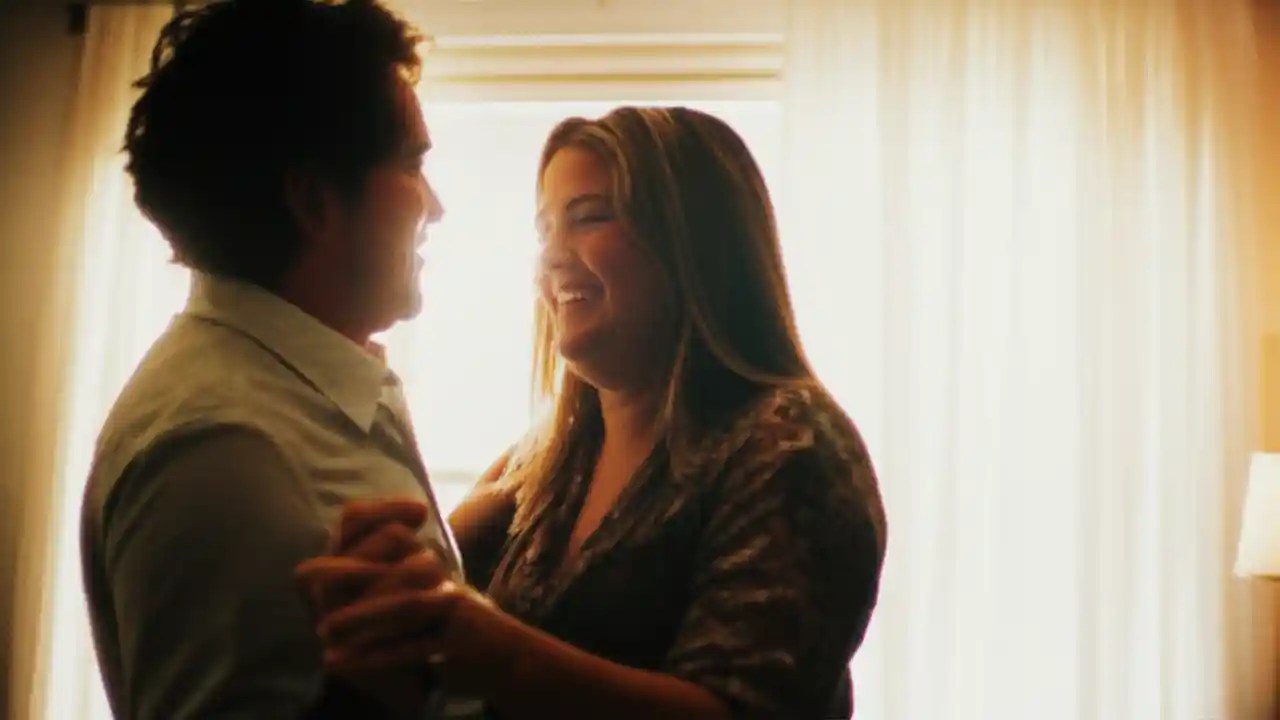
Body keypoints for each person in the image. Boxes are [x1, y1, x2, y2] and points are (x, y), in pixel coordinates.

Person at [297, 107, 889, 719]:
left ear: (694, 243)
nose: (553, 257)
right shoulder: (540, 461)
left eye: (589, 218)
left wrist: (503, 655)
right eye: (544, 231)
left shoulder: (789, 446)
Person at [78, 1, 454, 718]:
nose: (433, 207)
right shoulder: (219, 444)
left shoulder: (293, 395)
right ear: (314, 202)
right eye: (411, 165)